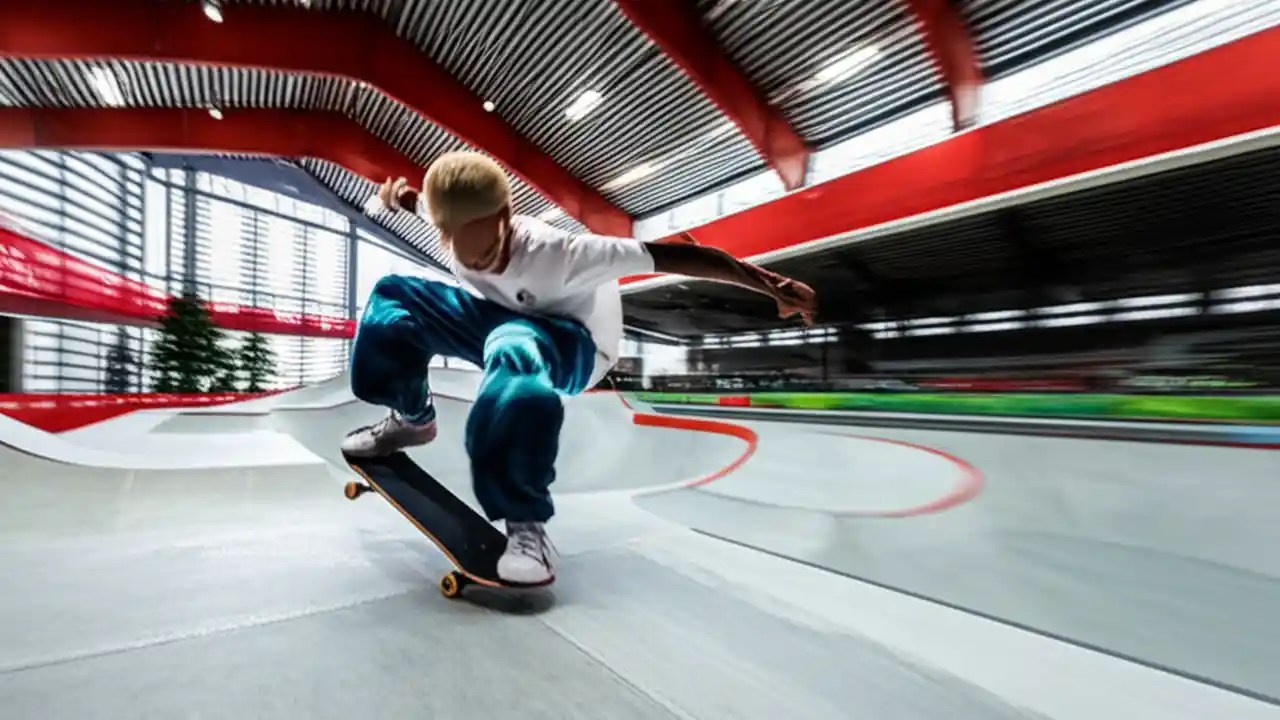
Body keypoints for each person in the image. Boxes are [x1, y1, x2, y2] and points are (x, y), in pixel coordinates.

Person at [342, 151, 816, 585]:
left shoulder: (566, 253)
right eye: (471, 254)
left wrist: (771, 285)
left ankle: (528, 528)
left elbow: (685, 256)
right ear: (444, 232)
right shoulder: (445, 214)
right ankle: (412, 419)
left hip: (578, 348)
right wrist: (393, 198)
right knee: (394, 297)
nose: (486, 259)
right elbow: (415, 200)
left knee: (514, 344)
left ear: (505, 217)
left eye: (492, 247)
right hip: (500, 324)